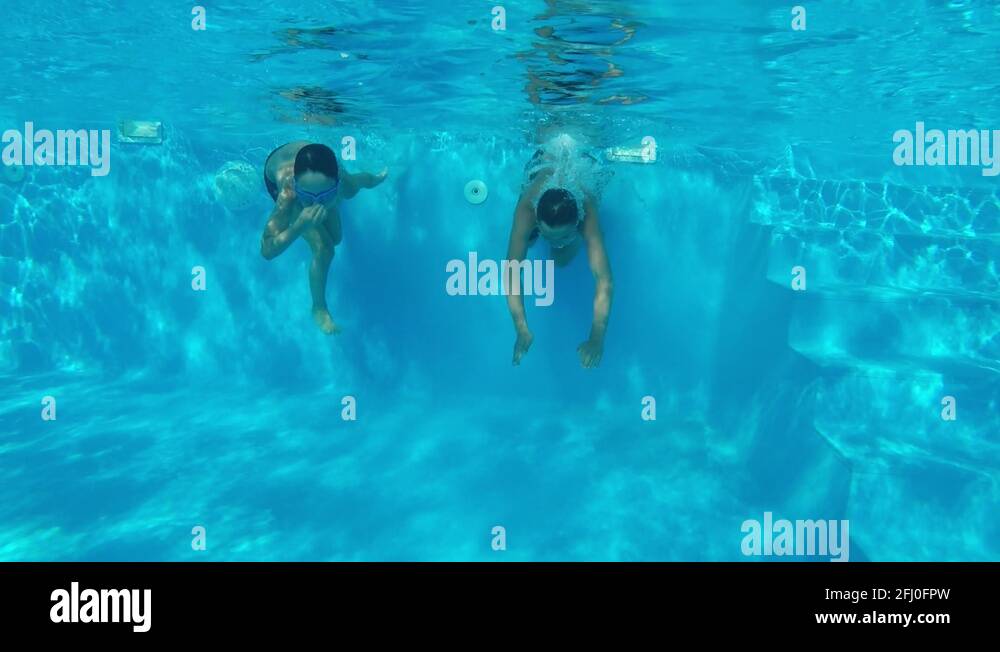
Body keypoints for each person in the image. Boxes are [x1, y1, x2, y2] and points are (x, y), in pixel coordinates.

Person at [504, 134, 613, 368]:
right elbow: (511, 273)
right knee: (530, 242)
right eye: (549, 235)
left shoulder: (588, 213)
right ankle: (548, 234)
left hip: (585, 163)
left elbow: (604, 280)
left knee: (561, 258)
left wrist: (596, 338)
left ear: (579, 222)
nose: (556, 241)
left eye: (564, 235)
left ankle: (566, 238)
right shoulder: (526, 210)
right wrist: (521, 329)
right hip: (541, 167)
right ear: (536, 217)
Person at [259, 142, 386, 334]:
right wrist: (299, 226)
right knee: (325, 248)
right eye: (309, 199)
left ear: (338, 183)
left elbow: (365, 180)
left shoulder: (346, 185)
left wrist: (379, 178)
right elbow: (267, 250)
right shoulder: (288, 194)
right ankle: (319, 308)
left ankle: (319, 197)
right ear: (294, 185)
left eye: (325, 197)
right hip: (282, 169)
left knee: (336, 238)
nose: (316, 205)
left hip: (316, 170)